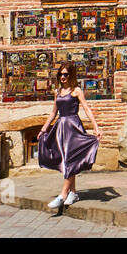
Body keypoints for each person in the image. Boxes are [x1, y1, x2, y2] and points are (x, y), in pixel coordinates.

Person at [38, 63, 101, 209]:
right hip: (61, 128)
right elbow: (53, 113)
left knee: (70, 159)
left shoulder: (76, 91)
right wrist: (43, 129)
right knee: (66, 159)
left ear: (71, 75)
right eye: (60, 74)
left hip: (73, 127)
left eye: (66, 74)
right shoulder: (58, 91)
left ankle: (63, 194)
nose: (63, 77)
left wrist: (96, 127)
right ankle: (73, 193)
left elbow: (87, 109)